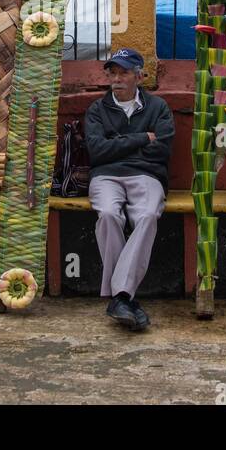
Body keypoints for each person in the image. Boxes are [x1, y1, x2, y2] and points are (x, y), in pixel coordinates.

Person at [82, 48, 175, 331]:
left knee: (147, 215)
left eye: (124, 73)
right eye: (113, 73)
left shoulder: (158, 107)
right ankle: (123, 297)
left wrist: (118, 144)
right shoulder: (97, 110)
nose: (117, 79)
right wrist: (139, 139)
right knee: (109, 214)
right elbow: (97, 151)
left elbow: (161, 150)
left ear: (140, 76)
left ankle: (120, 296)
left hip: (147, 175)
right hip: (106, 176)